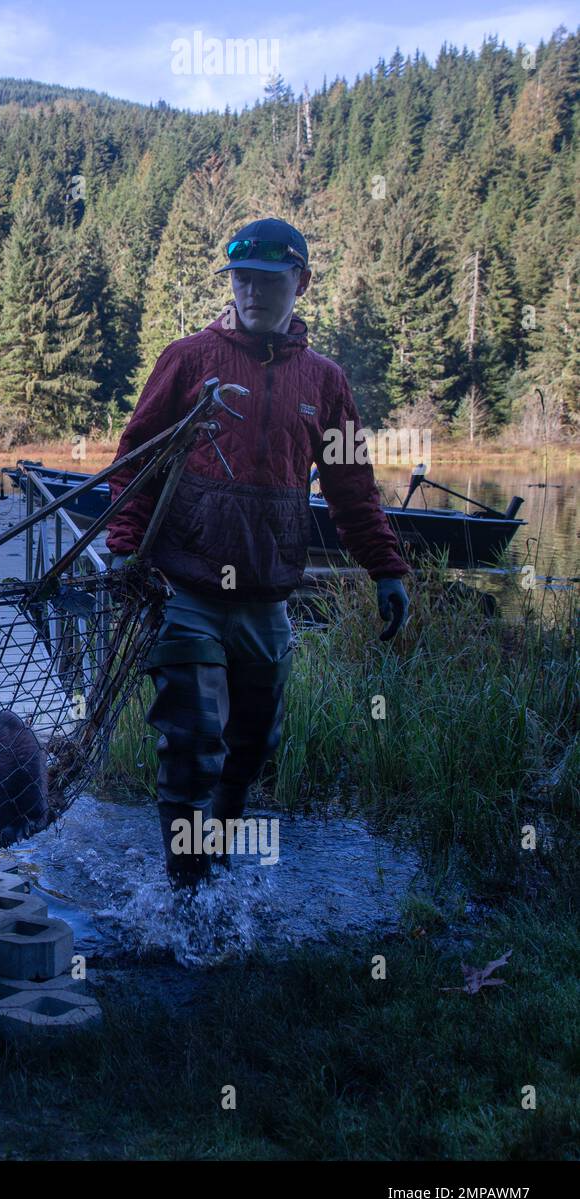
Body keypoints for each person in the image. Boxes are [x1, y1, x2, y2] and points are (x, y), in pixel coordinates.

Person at [106, 218, 411, 889]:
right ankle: (187, 891)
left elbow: (351, 484)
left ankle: (213, 864)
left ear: (301, 283)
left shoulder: (324, 381)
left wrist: (386, 567)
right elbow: (134, 463)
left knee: (251, 745)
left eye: (269, 280)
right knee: (192, 741)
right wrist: (125, 550)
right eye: (242, 279)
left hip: (266, 595)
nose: (252, 292)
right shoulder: (188, 359)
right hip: (184, 586)